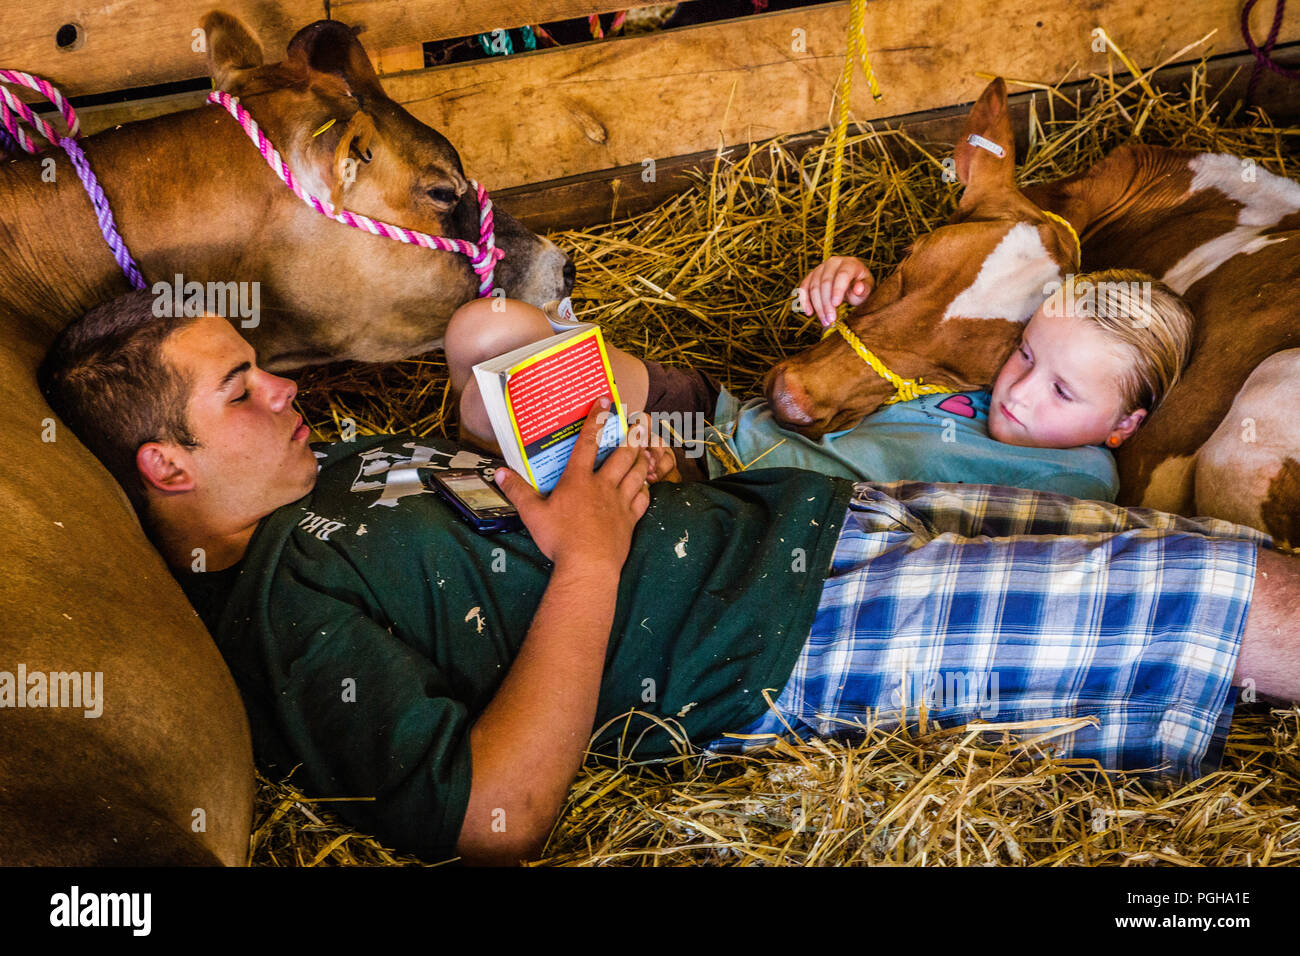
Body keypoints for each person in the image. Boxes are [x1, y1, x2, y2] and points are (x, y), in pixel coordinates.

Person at [38, 291, 1300, 867]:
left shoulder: (334, 470)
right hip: (785, 631)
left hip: (808, 504)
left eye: (267, 364)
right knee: (1241, 600)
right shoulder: (283, 612)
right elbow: (490, 818)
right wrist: (591, 554)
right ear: (166, 462)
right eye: (242, 391)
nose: (289, 388)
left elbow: (516, 469)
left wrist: (604, 459)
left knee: (1184, 542)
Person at [448, 262, 1193, 502]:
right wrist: (854, 292)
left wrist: (677, 476)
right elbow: (874, 365)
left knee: (492, 401)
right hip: (715, 422)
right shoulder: (979, 381)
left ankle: (503, 486)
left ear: (1125, 426)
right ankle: (514, 472)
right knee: (485, 328)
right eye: (1027, 354)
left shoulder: (1078, 485)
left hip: (721, 497)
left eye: (1065, 392)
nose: (1022, 391)